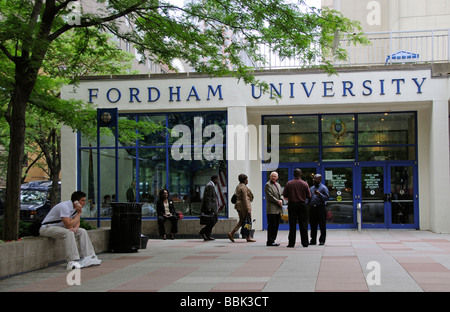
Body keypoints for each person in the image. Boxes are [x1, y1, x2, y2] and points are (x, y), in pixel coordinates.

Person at [39, 191, 102, 270]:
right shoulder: (64, 207)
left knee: (82, 231)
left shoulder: (76, 208)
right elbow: (68, 224)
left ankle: (89, 256)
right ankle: (72, 261)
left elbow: (77, 222)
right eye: (82, 200)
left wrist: (75, 228)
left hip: (60, 228)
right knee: (68, 233)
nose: (84, 203)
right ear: (76, 201)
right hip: (47, 228)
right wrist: (79, 213)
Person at [282, 168, 311, 248]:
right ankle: (305, 243)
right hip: (302, 205)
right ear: (300, 174)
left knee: (292, 224)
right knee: (303, 224)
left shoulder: (289, 183)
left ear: (293, 174)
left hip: (292, 205)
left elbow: (284, 194)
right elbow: (309, 196)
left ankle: (291, 243)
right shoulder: (305, 184)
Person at [227, 174, 256, 243]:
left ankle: (232, 233)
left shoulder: (239, 186)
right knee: (248, 220)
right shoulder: (243, 187)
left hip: (239, 206)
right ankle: (248, 236)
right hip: (243, 206)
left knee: (242, 220)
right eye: (247, 179)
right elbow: (245, 198)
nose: (247, 180)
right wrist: (248, 208)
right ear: (245, 180)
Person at [308, 174, 329, 246]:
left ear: (320, 180)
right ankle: (313, 240)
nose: (314, 180)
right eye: (313, 178)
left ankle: (322, 240)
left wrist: (320, 194)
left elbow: (327, 198)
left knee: (322, 225)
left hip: (321, 208)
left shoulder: (323, 188)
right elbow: (309, 198)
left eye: (316, 178)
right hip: (313, 208)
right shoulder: (311, 188)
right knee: (313, 225)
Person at [264, 171, 283, 246]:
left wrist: (281, 199)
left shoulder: (278, 184)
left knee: (276, 225)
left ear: (277, 177)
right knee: (272, 225)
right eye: (272, 176)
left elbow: (281, 193)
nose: (273, 178)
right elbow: (269, 196)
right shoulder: (267, 185)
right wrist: (278, 201)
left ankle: (273, 240)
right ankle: (270, 241)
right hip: (271, 209)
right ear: (270, 177)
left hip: (278, 209)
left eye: (275, 176)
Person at [200, 175, 219, 241]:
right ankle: (203, 232)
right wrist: (209, 208)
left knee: (212, 221)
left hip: (212, 207)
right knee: (212, 220)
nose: (218, 181)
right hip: (210, 208)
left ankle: (207, 234)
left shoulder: (212, 185)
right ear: (214, 179)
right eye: (217, 179)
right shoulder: (210, 185)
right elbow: (208, 197)